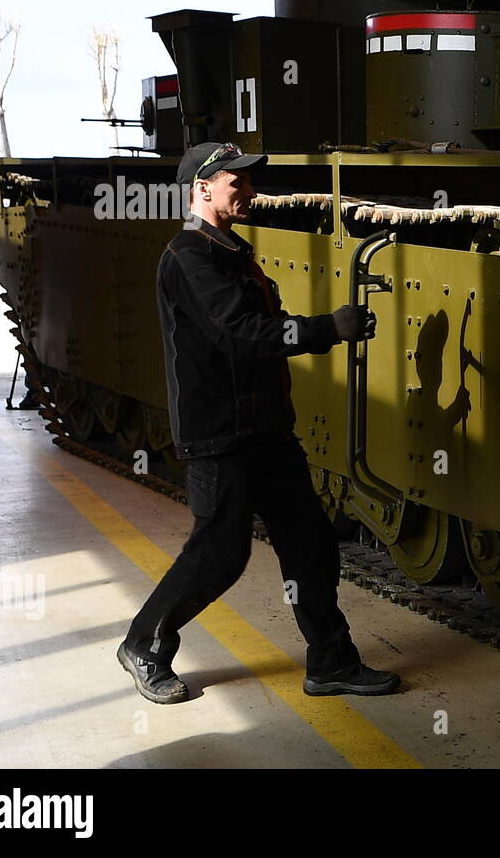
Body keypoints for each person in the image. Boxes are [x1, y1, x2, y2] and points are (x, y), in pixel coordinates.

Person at [117, 141, 398, 704]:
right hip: (221, 435)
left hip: (266, 429)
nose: (248, 190)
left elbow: (257, 328)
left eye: (248, 181)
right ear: (202, 187)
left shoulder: (229, 250)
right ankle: (144, 643)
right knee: (221, 552)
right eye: (235, 182)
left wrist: (319, 328)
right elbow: (240, 333)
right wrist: (328, 328)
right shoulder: (189, 256)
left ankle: (331, 663)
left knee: (311, 545)